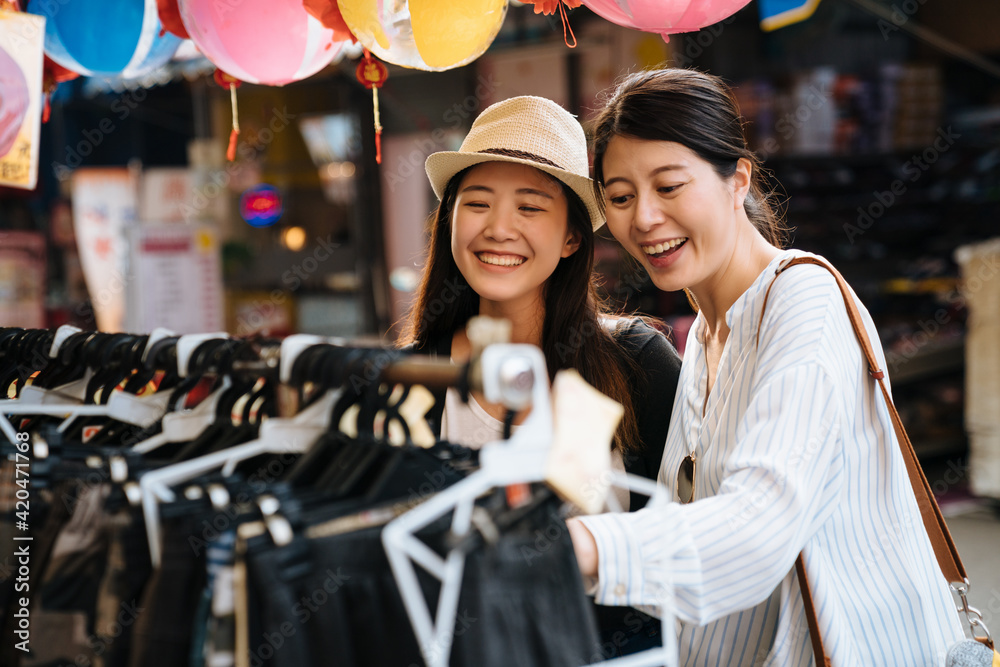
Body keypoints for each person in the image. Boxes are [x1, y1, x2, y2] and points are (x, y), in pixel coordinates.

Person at [566, 68, 966, 666]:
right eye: (620, 197)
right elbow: (687, 544)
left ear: (738, 182)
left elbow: (759, 527)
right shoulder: (703, 336)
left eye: (670, 187)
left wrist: (580, 547)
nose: (643, 218)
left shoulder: (804, 299)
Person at [400, 95, 682, 657]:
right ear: (450, 220)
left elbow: (685, 537)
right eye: (477, 203)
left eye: (530, 208)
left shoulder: (633, 361)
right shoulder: (414, 376)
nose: (499, 228)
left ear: (573, 237)